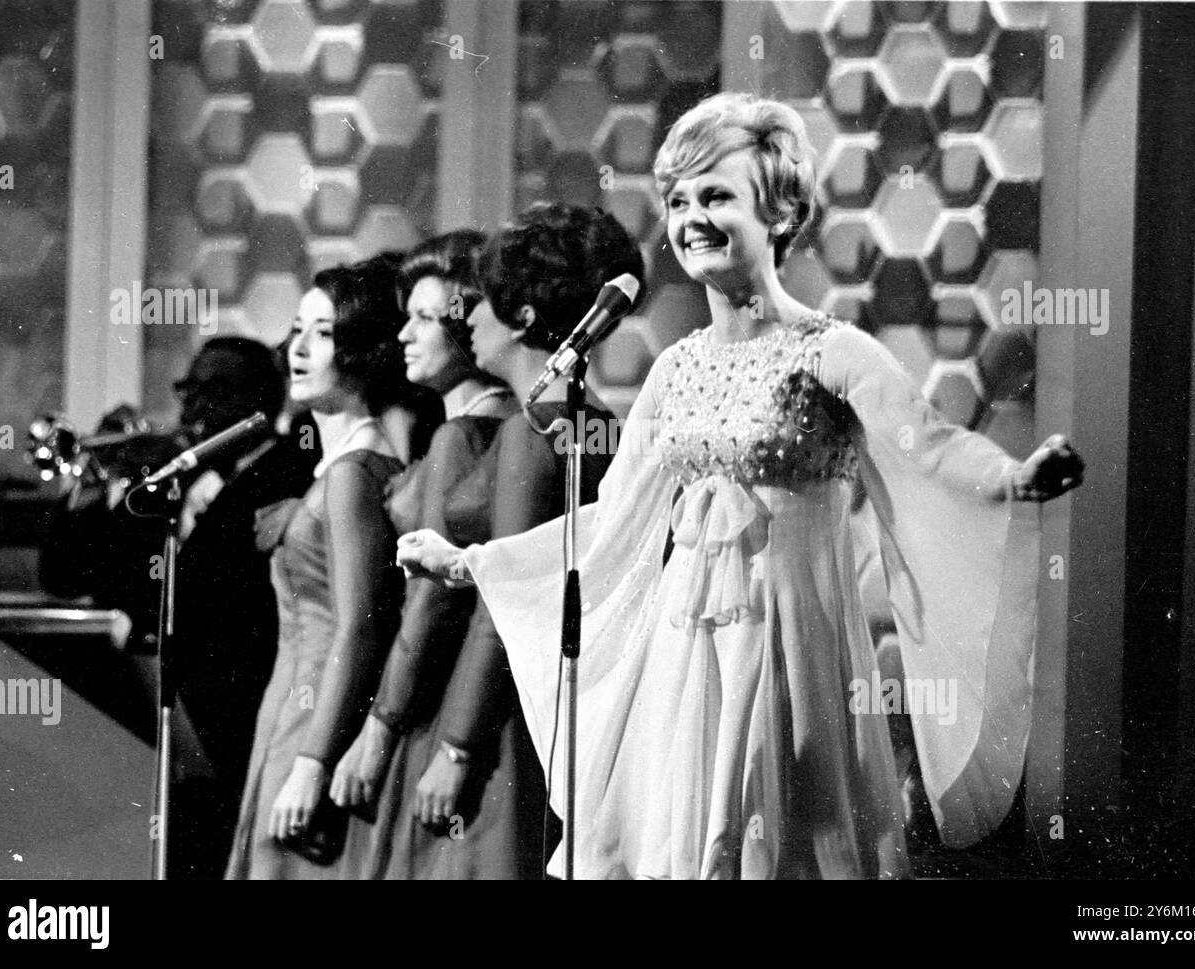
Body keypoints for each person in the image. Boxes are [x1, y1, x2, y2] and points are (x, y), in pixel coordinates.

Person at [398, 93, 1085, 880]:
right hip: (686, 666)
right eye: (679, 199)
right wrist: (470, 561)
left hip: (793, 652)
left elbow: (924, 446)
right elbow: (614, 517)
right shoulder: (675, 368)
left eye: (716, 195)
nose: (691, 217)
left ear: (780, 210)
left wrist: (1014, 479)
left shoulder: (833, 351)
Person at [344, 209, 641, 878]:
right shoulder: (587, 419)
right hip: (524, 710)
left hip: (500, 729)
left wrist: (454, 747)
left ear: (525, 317)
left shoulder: (530, 431)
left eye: (483, 306)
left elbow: (505, 605)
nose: (467, 321)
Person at [39, 336, 318, 880]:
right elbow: (65, 575)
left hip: (239, 710)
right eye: (189, 391)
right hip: (175, 725)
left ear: (264, 397)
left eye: (217, 391)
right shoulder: (178, 474)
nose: (195, 408)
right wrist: (97, 487)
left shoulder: (287, 467)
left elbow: (220, 585)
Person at [226, 263, 412, 879]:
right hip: (291, 708)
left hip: (314, 720)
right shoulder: (339, 466)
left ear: (361, 348)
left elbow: (359, 628)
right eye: (297, 330)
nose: (299, 349)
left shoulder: (353, 471)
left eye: (324, 333)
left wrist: (312, 761)